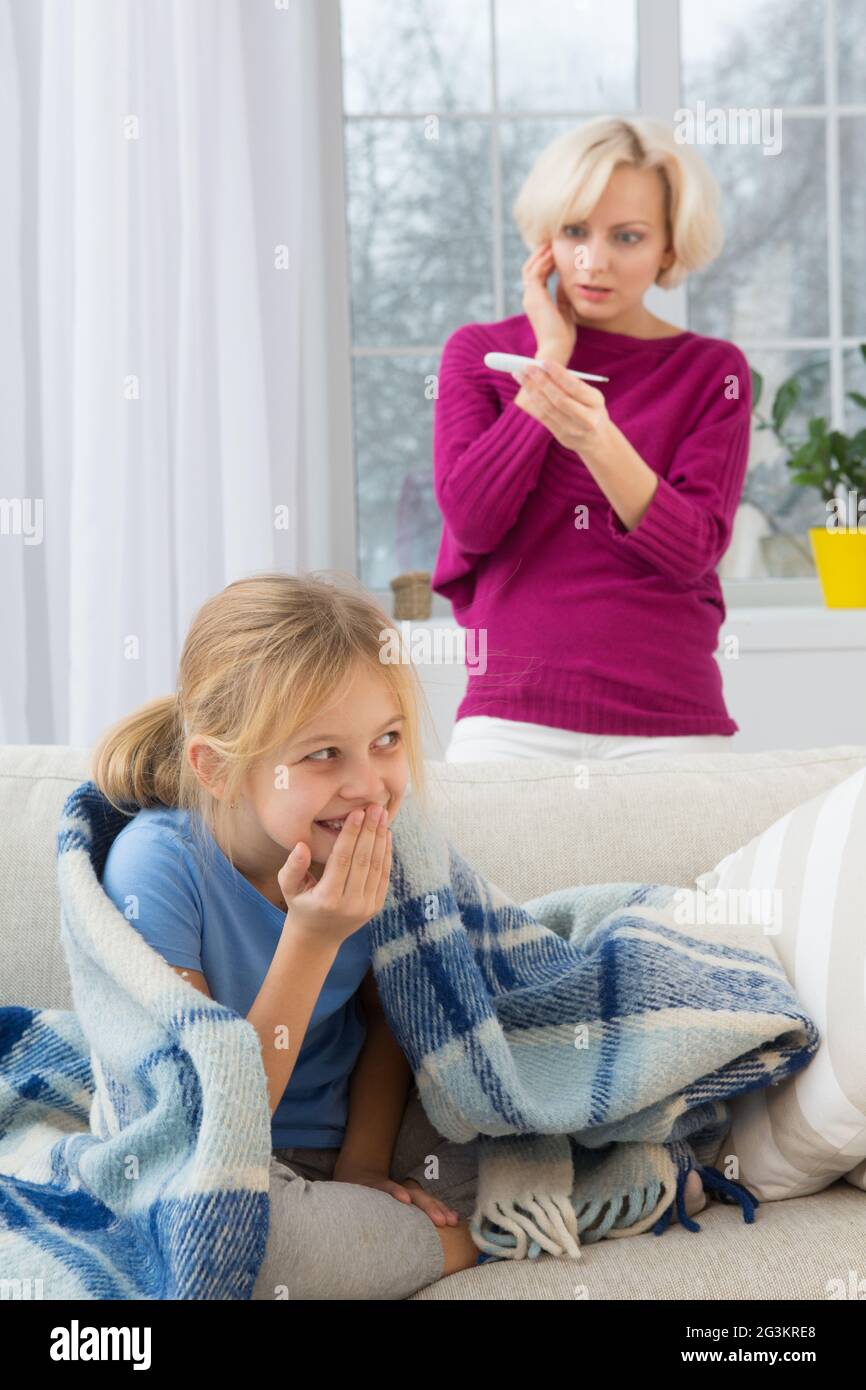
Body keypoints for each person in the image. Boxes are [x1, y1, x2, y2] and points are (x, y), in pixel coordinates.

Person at [93, 571, 705, 1299]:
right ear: (219, 769)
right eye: (323, 754)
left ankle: (488, 1213)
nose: (371, 786)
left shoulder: (387, 840)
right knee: (227, 1243)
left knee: (524, 1145)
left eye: (385, 740)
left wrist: (363, 1163)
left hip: (362, 1130)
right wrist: (313, 938)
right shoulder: (156, 868)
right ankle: (468, 1242)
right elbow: (208, 1127)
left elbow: (399, 1016)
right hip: (223, 1157)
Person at [431, 116, 753, 764]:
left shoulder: (712, 371)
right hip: (511, 717)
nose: (593, 261)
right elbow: (472, 522)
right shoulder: (480, 353)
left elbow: (693, 549)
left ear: (668, 249)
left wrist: (595, 436)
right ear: (545, 238)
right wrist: (551, 356)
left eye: (627, 236)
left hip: (671, 721)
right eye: (575, 231)